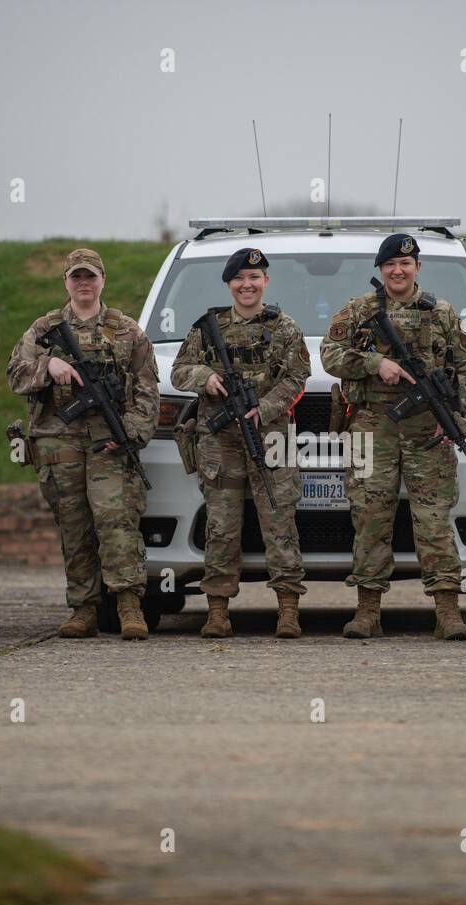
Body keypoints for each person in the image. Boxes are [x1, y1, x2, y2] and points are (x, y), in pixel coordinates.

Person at [320, 233, 466, 640]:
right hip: (373, 426)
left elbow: (464, 368)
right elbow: (329, 354)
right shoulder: (359, 310)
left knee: (434, 521)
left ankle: (447, 612)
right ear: (381, 269)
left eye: (406, 264)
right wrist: (375, 363)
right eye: (390, 264)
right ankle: (368, 611)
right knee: (370, 518)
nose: (398, 270)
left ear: (417, 268)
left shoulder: (441, 313)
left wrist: (453, 413)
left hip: (428, 429)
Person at [7, 247, 159, 640]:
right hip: (61, 444)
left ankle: (128, 606)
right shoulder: (43, 329)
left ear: (102, 280)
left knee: (116, 522)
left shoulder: (127, 331)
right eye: (76, 277)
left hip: (108, 443)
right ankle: (83, 609)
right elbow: (16, 375)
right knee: (74, 528)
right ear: (66, 282)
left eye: (90, 276)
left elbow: (146, 390)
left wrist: (132, 434)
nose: (84, 283)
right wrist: (48, 365)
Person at [170, 247, 310, 638]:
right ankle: (217, 612)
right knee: (221, 527)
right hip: (220, 441)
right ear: (230, 284)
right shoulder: (207, 327)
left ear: (266, 281)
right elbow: (180, 370)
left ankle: (288, 609)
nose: (247, 285)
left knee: (280, 522)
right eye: (239, 279)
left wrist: (263, 408)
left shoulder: (284, 327)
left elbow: (297, 377)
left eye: (254, 278)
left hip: (270, 437)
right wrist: (206, 378)